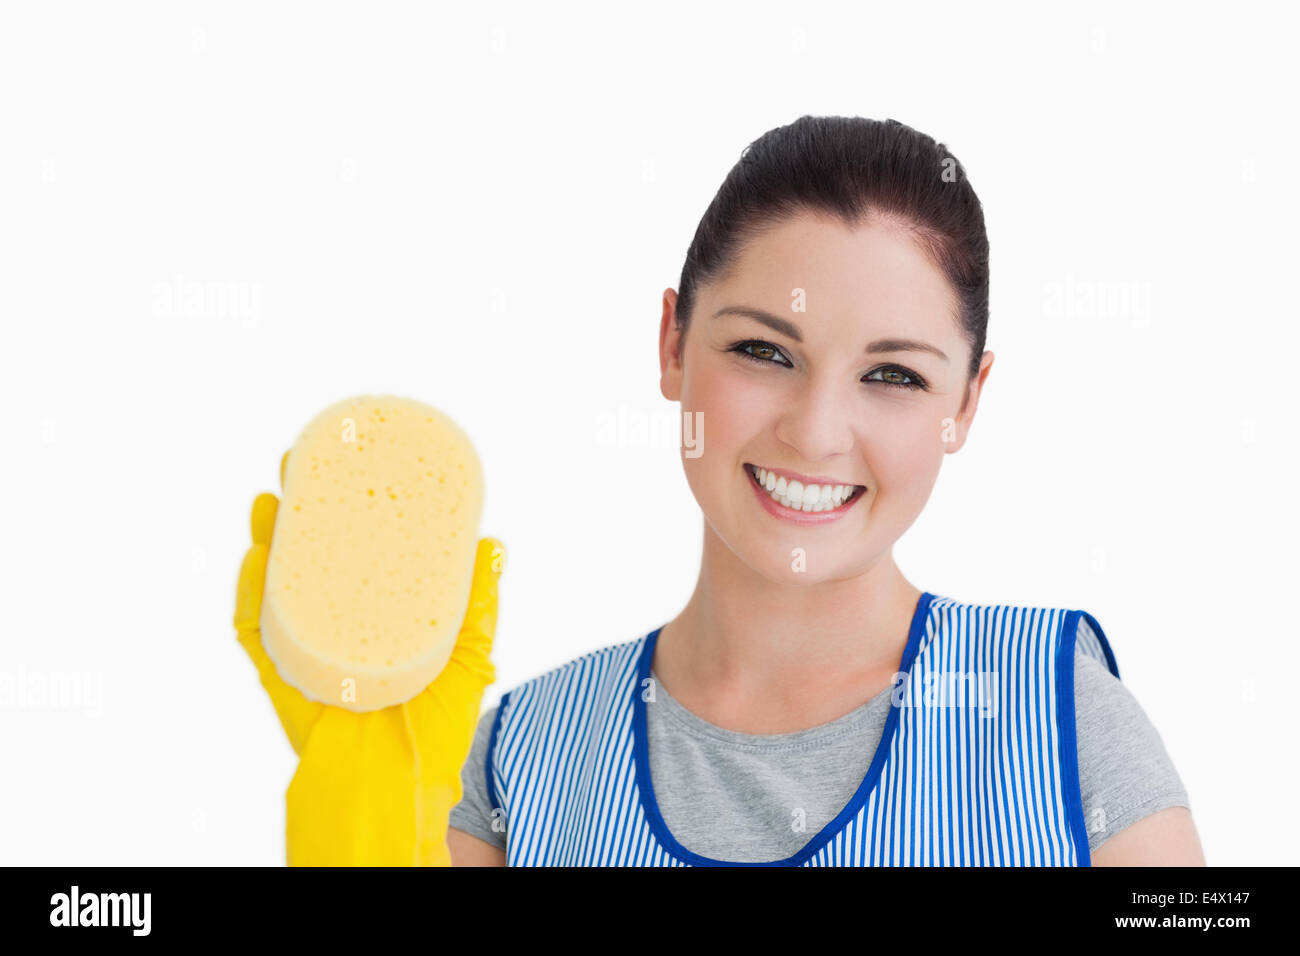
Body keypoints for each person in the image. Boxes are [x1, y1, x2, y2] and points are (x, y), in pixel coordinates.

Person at [447, 114, 1204, 866]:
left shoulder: (1061, 719)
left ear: (966, 403)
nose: (815, 433)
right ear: (672, 345)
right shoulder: (520, 756)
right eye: (764, 351)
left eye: (893, 375)